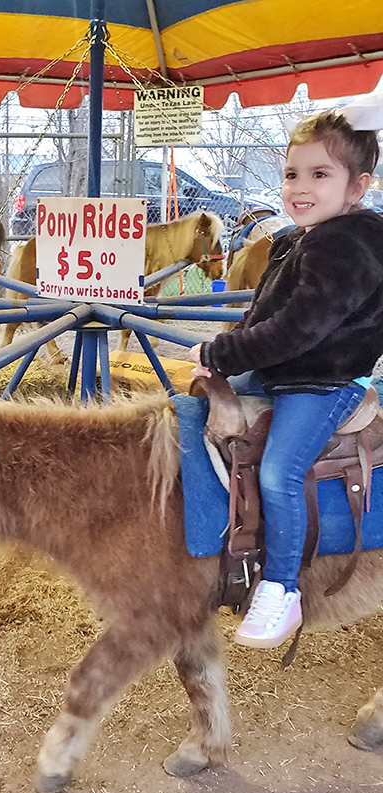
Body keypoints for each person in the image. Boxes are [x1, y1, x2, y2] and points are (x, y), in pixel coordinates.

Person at [189, 95, 383, 649]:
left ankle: (282, 589)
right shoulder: (298, 240)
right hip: (284, 373)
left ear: (358, 185)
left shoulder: (350, 245)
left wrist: (227, 354)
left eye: (320, 174)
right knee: (202, 422)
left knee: (279, 472)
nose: (300, 186)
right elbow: (262, 315)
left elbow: (302, 327)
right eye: (292, 173)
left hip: (323, 383)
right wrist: (228, 347)